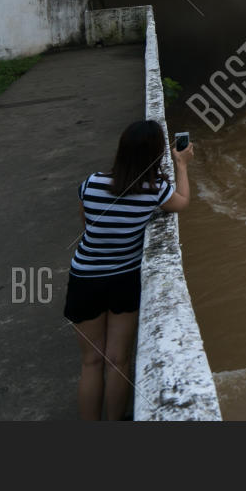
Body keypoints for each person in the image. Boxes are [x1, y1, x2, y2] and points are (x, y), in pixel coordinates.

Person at [62, 119, 193, 420]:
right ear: (156, 155)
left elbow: (86, 223)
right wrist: (182, 164)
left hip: (85, 278)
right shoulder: (154, 190)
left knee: (91, 362)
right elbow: (182, 202)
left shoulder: (91, 183)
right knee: (118, 360)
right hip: (124, 278)